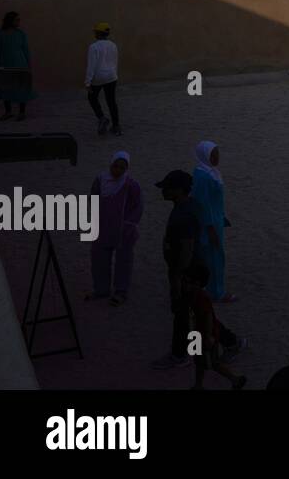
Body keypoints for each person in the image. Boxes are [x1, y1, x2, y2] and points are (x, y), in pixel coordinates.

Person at [152, 170, 201, 370]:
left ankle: (179, 354)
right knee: (195, 310)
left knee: (182, 312)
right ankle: (230, 342)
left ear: (179, 190)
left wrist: (178, 276)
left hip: (184, 271)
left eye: (168, 187)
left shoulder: (184, 214)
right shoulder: (186, 207)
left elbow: (187, 248)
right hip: (185, 270)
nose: (163, 191)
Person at [87, 150, 143, 305]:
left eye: (121, 168)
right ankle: (101, 289)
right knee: (99, 258)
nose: (117, 170)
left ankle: (121, 291)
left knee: (123, 261)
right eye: (115, 166)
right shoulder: (100, 180)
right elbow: (93, 198)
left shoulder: (131, 185)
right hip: (102, 227)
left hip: (123, 230)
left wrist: (130, 224)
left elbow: (137, 207)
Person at [183, 261, 247, 390]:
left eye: (188, 281)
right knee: (199, 361)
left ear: (197, 283)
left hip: (205, 335)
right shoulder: (193, 295)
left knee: (213, 362)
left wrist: (208, 337)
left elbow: (208, 318)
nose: (185, 284)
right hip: (196, 334)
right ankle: (198, 385)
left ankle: (235, 379)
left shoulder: (201, 298)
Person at [191, 140, 234, 302]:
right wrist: (210, 227)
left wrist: (221, 217)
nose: (216, 157)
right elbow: (203, 204)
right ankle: (216, 292)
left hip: (215, 220)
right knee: (214, 256)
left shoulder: (209, 172)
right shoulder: (204, 176)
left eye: (217, 154)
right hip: (209, 223)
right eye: (213, 154)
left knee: (211, 255)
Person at [0, 11, 35, 122]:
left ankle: (22, 112)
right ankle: (8, 112)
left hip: (20, 63)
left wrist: (28, 65)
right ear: (10, 20)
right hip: (5, 63)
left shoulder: (21, 34)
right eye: (16, 19)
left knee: (22, 88)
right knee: (5, 88)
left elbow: (26, 50)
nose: (19, 22)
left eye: (19, 19)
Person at [85, 21, 120, 135]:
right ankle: (116, 126)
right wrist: (114, 74)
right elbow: (115, 61)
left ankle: (101, 117)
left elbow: (91, 65)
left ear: (97, 33)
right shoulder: (113, 45)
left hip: (98, 77)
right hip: (111, 76)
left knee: (92, 97)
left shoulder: (94, 47)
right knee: (111, 101)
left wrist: (88, 82)